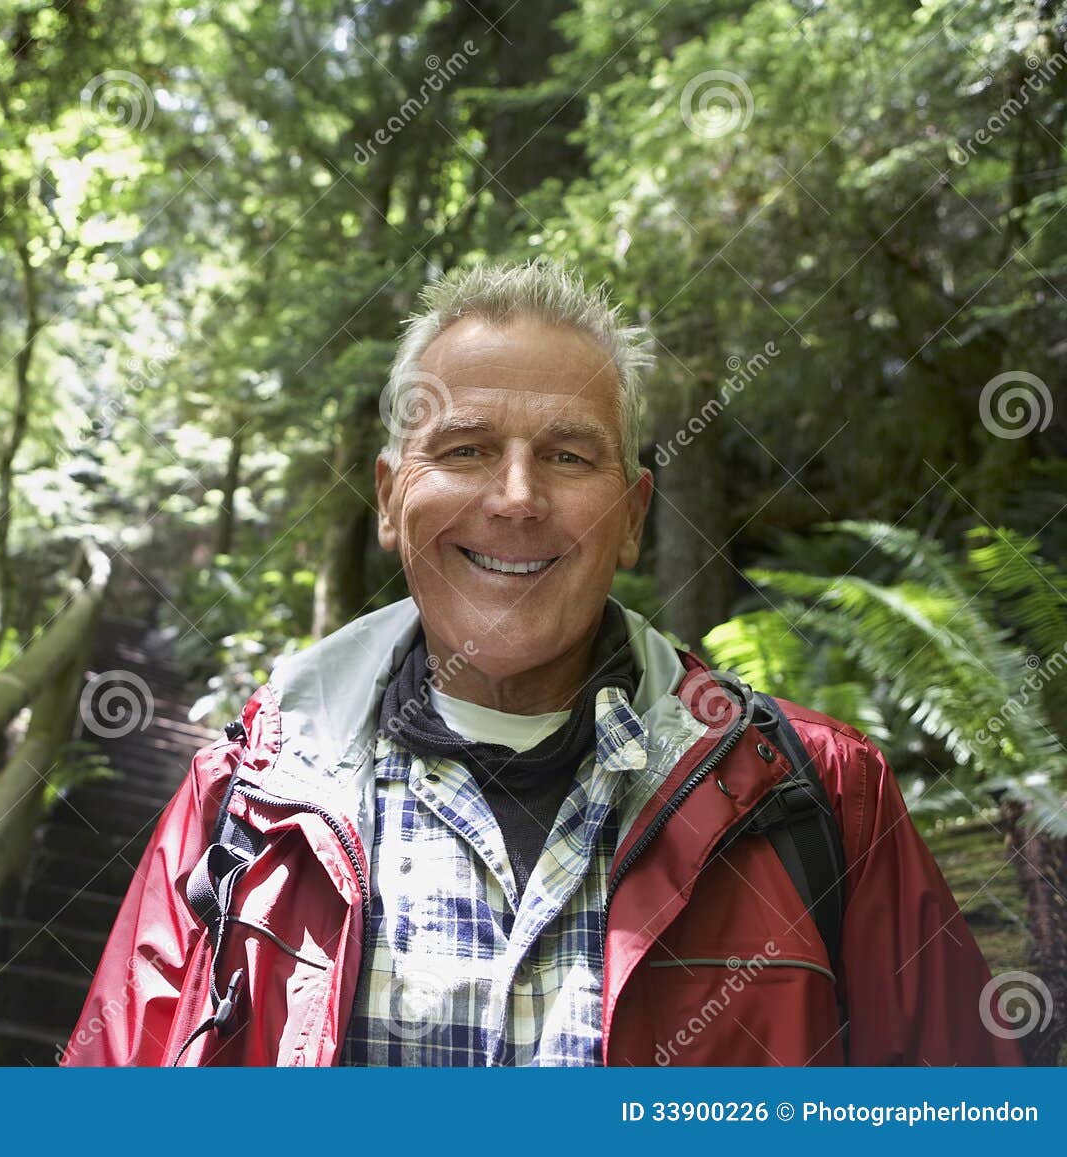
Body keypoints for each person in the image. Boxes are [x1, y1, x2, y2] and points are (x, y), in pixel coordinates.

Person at [61, 258, 1021, 1066]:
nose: (517, 498)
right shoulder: (242, 804)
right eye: (468, 448)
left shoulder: (823, 800)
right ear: (392, 502)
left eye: (567, 457)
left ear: (635, 514)